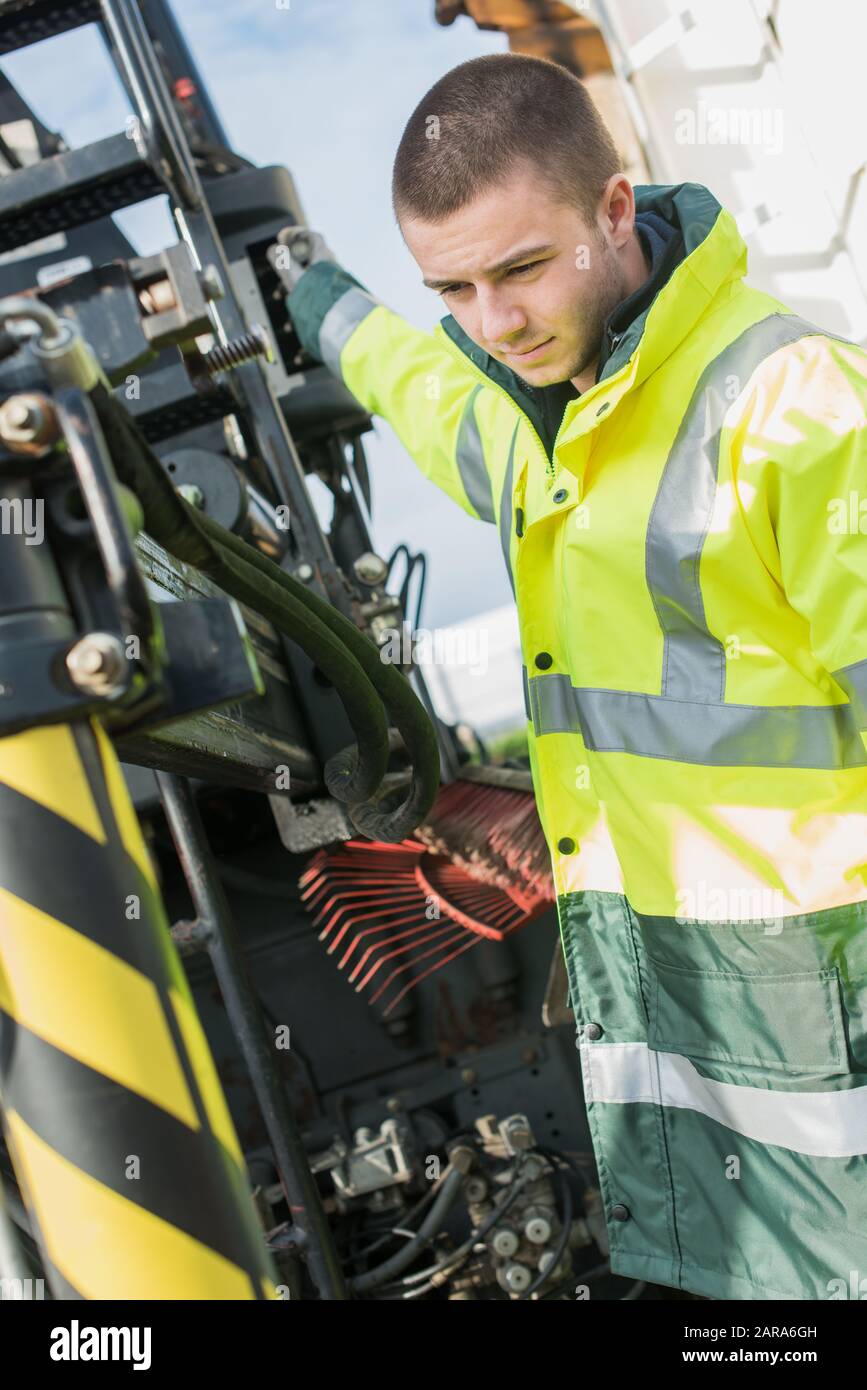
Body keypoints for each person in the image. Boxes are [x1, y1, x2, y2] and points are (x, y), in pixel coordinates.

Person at [268, 52, 867, 1302]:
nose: (495, 322)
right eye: (456, 287)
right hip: (705, 1055)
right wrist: (310, 287)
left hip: (827, 1035)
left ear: (613, 209)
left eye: (522, 270)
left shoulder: (794, 411)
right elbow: (426, 388)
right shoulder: (541, 428)